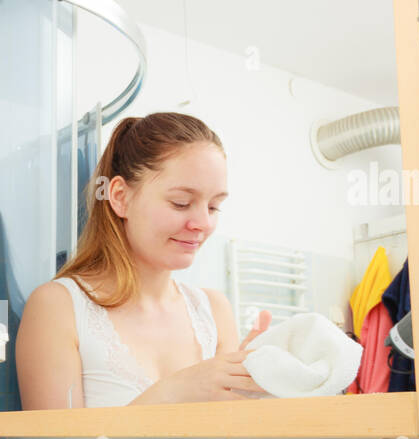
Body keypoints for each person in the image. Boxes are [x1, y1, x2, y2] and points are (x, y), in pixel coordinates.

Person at [16, 111, 269, 409]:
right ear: (121, 197)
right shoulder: (57, 307)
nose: (202, 222)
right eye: (181, 203)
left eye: (214, 207)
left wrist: (257, 391)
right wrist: (176, 390)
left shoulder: (214, 311)